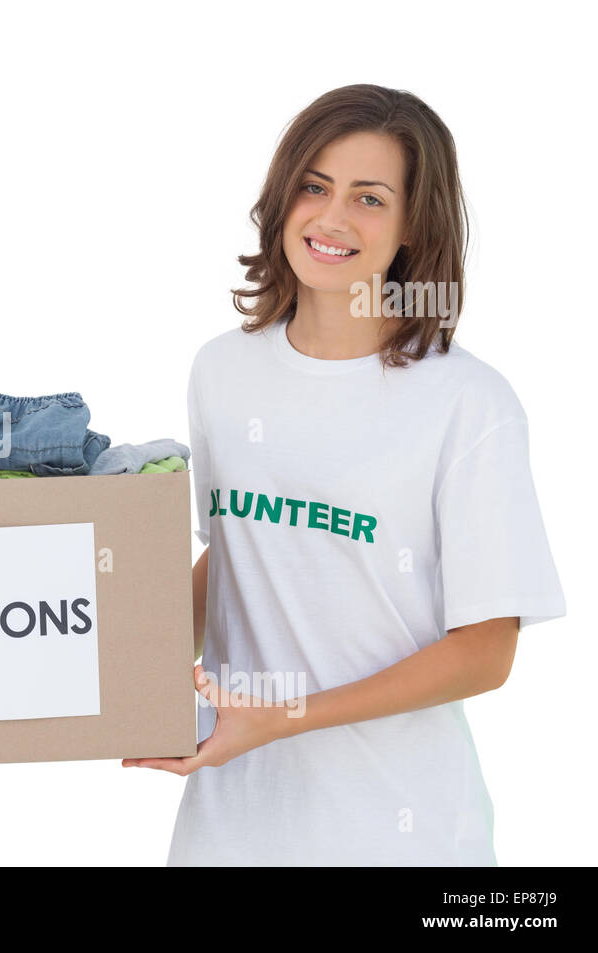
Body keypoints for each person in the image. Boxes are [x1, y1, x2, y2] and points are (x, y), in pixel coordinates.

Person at [123, 84, 565, 865]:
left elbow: (486, 651)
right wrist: (114, 669)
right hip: (229, 822)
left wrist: (286, 714)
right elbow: (238, 553)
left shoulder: (467, 402)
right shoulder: (223, 370)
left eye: (369, 198)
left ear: (410, 227)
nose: (331, 219)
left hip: (397, 830)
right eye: (314, 187)